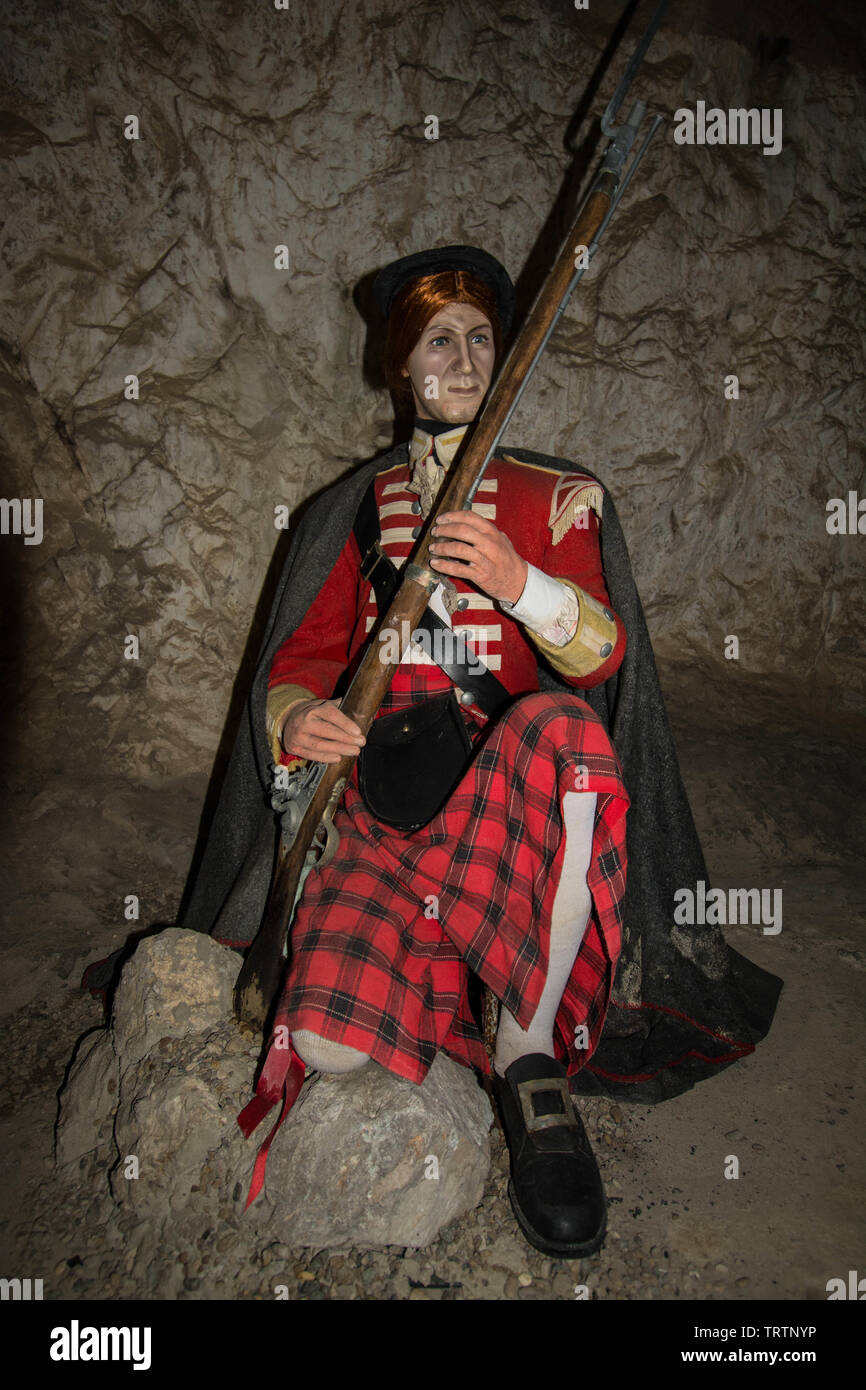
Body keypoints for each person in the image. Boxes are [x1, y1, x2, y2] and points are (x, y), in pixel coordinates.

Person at [180, 245, 782, 1258]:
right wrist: (295, 717)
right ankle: (437, 957)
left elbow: (599, 649)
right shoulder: (355, 507)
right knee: (324, 1043)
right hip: (383, 800)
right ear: (397, 368)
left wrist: (518, 579)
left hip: (514, 793)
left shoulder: (557, 496)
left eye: (477, 340)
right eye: (435, 341)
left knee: (569, 734)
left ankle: (526, 1046)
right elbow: (302, 656)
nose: (460, 358)